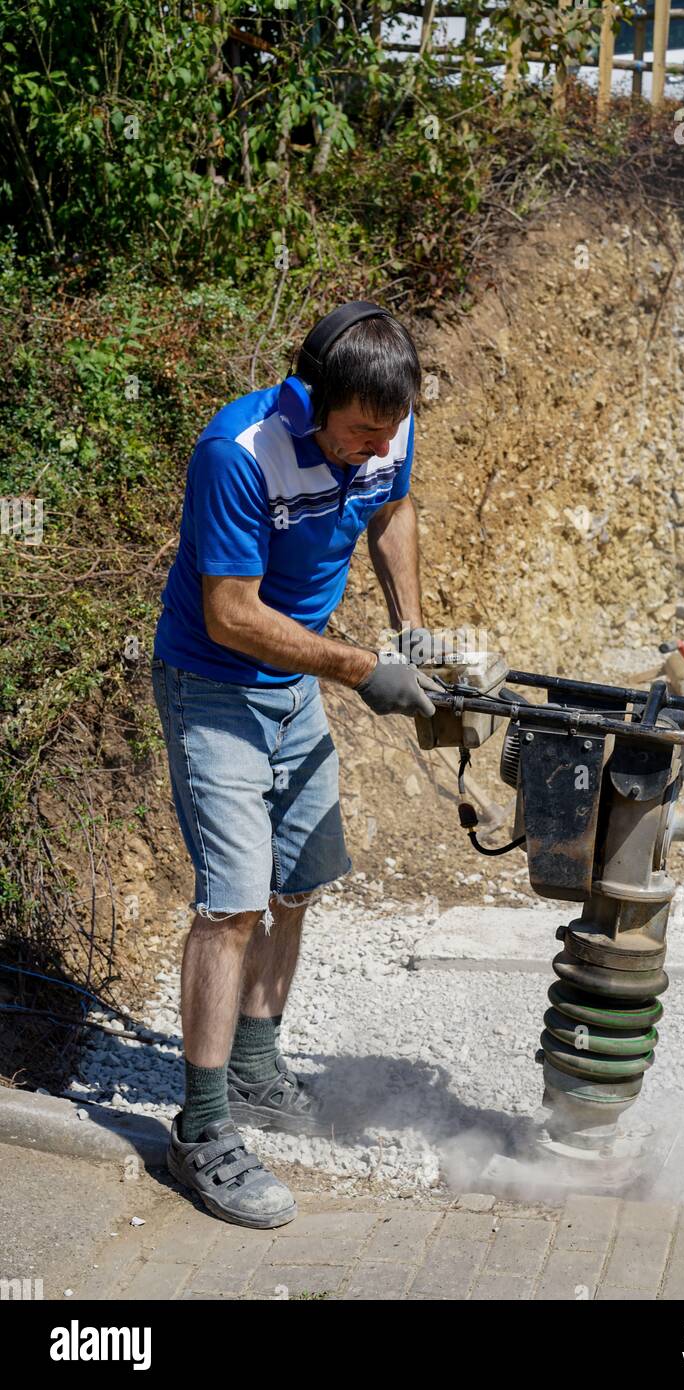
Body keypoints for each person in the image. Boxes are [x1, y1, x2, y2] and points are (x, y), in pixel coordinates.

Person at [150, 301, 438, 1228]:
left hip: (294, 681)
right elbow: (232, 613)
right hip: (215, 683)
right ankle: (200, 1132)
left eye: (385, 432)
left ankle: (258, 1067)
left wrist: (412, 632)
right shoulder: (237, 452)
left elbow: (392, 510)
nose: (369, 449)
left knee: (298, 881)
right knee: (231, 902)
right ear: (313, 396)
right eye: (356, 432)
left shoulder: (385, 425)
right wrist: (362, 670)